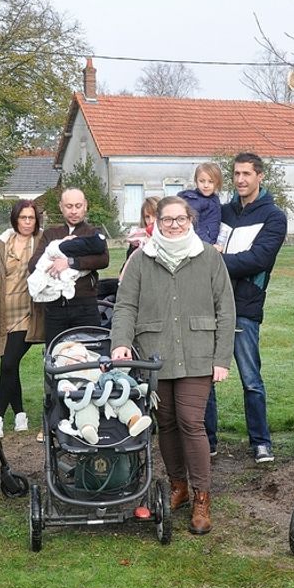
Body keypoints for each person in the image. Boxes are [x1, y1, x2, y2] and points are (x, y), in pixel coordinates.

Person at [111, 196, 235, 534]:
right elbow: (125, 306)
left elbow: (226, 310)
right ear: (157, 223)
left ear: (191, 221)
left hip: (198, 353)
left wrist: (221, 358)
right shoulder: (140, 259)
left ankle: (202, 496)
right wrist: (121, 342)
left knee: (191, 422)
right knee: (164, 423)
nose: (174, 225)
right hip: (155, 354)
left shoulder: (209, 257)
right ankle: (177, 484)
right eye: (168, 220)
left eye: (181, 219)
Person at [206, 152, 287, 464]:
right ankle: (208, 440)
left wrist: (215, 261)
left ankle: (260, 441)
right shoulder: (222, 211)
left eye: (247, 174)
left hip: (245, 305)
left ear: (260, 176)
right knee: (205, 375)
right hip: (211, 300)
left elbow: (259, 259)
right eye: (237, 174)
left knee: (251, 378)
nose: (240, 180)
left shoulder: (274, 217)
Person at [0, 200, 44, 433]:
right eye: (23, 217)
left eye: (31, 218)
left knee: (8, 364)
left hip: (28, 314)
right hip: (1, 314)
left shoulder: (42, 242)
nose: (27, 222)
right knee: (10, 366)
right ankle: (20, 415)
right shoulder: (0, 244)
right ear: (15, 219)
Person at [28, 188, 110, 347]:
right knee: (56, 355)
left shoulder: (93, 234)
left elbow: (103, 260)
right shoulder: (51, 234)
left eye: (78, 206)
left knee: (91, 355)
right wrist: (59, 247)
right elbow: (34, 264)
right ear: (61, 207)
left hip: (85, 306)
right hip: (55, 308)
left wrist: (70, 262)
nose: (74, 211)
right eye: (69, 206)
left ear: (85, 206)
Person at [180, 162, 223, 245]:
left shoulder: (214, 199)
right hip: (200, 244)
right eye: (202, 181)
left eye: (211, 181)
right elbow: (193, 226)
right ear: (196, 181)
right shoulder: (194, 200)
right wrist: (209, 244)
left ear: (217, 183)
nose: (206, 185)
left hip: (211, 242)